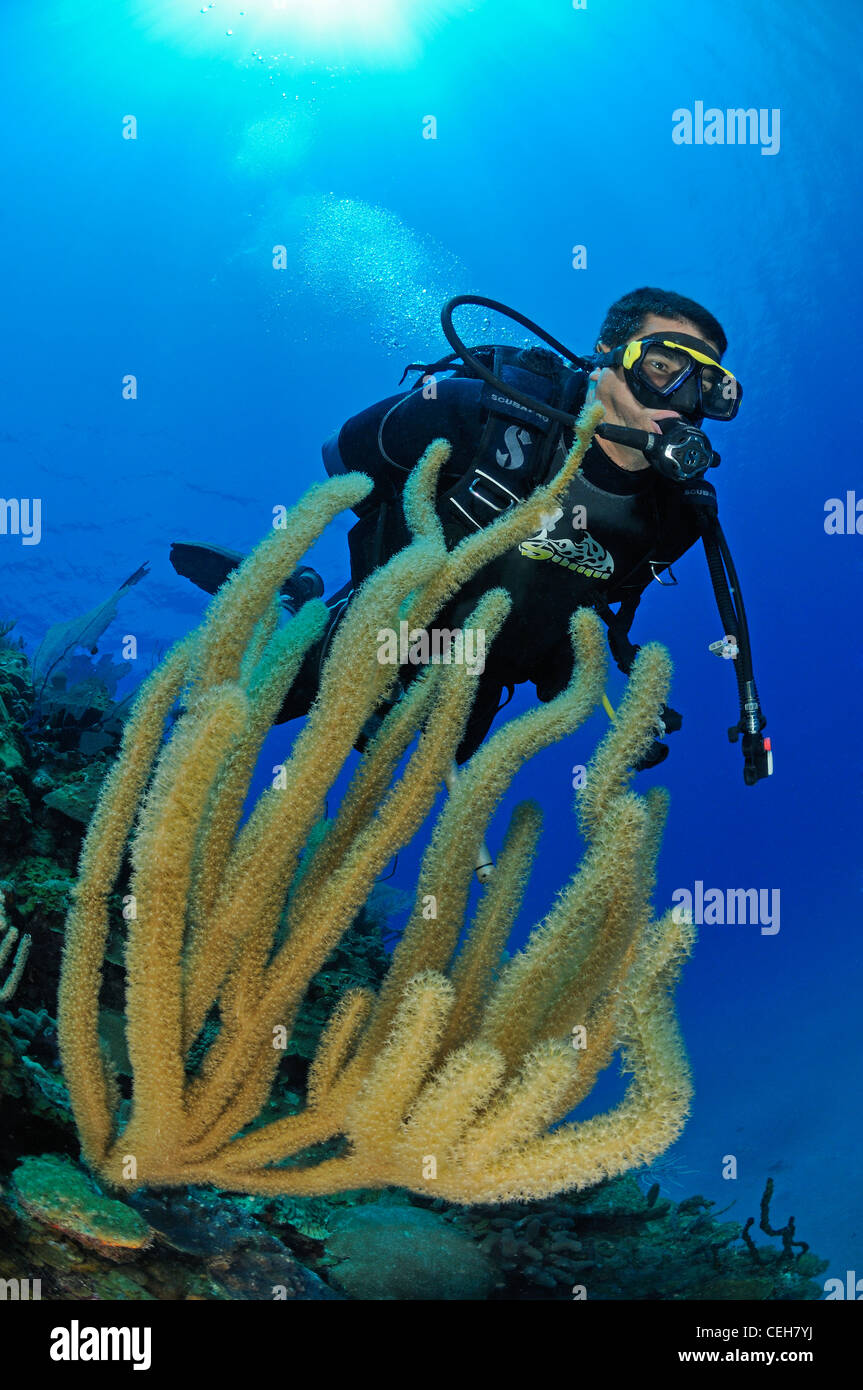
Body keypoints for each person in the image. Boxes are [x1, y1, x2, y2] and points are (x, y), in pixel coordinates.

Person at [171, 286, 743, 770]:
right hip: (378, 628)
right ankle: (298, 600)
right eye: (663, 368)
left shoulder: (678, 516)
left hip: (476, 679)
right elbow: (342, 463)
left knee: (447, 758)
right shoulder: (474, 413)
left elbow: (591, 602)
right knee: (240, 716)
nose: (683, 402)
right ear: (606, 355)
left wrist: (577, 677)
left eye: (708, 388)